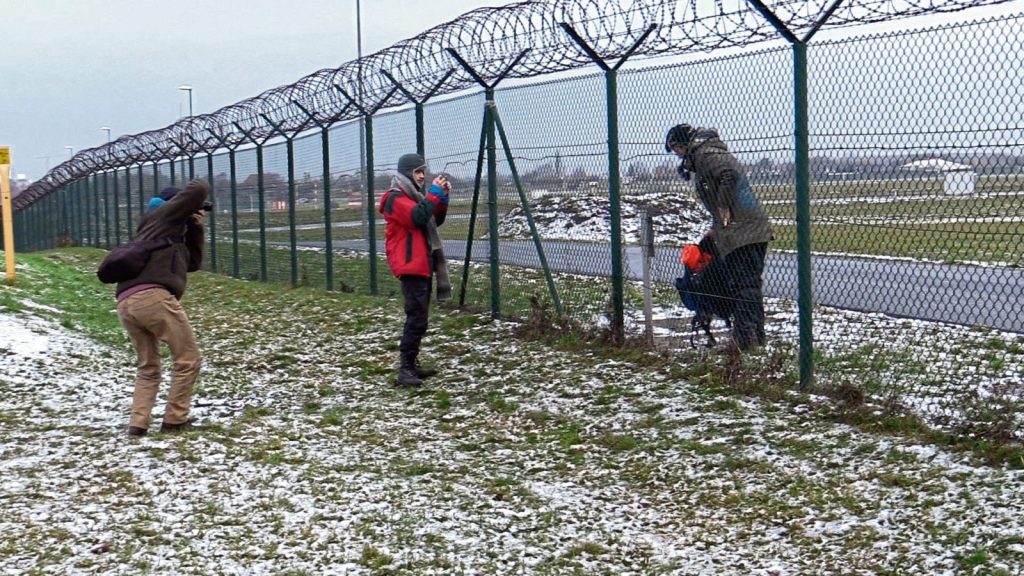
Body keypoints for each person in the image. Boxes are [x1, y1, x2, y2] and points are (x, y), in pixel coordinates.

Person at [666, 124, 773, 350]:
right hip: (738, 230)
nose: (677, 154)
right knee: (746, 285)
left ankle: (745, 340)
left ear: (684, 144)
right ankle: (755, 337)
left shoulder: (705, 154)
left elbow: (729, 175)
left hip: (745, 231)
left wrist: (724, 207)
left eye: (676, 148)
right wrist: (715, 228)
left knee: (745, 286)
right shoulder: (706, 154)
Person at [116, 180, 209, 436]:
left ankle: (138, 424)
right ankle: (175, 419)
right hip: (153, 298)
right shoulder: (164, 214)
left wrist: (195, 227)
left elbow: (192, 264)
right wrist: (189, 204)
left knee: (148, 366)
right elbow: (200, 186)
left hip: (126, 302)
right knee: (188, 359)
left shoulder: (159, 228)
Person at [379, 153, 451, 387]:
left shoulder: (414, 195)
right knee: (416, 318)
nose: (422, 176)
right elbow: (418, 217)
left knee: (420, 317)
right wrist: (434, 194)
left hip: (422, 263)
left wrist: (443, 198)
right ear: (408, 172)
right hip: (411, 264)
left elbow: (432, 220)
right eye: (418, 172)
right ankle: (405, 369)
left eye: (424, 171)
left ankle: (412, 364)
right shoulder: (394, 198)